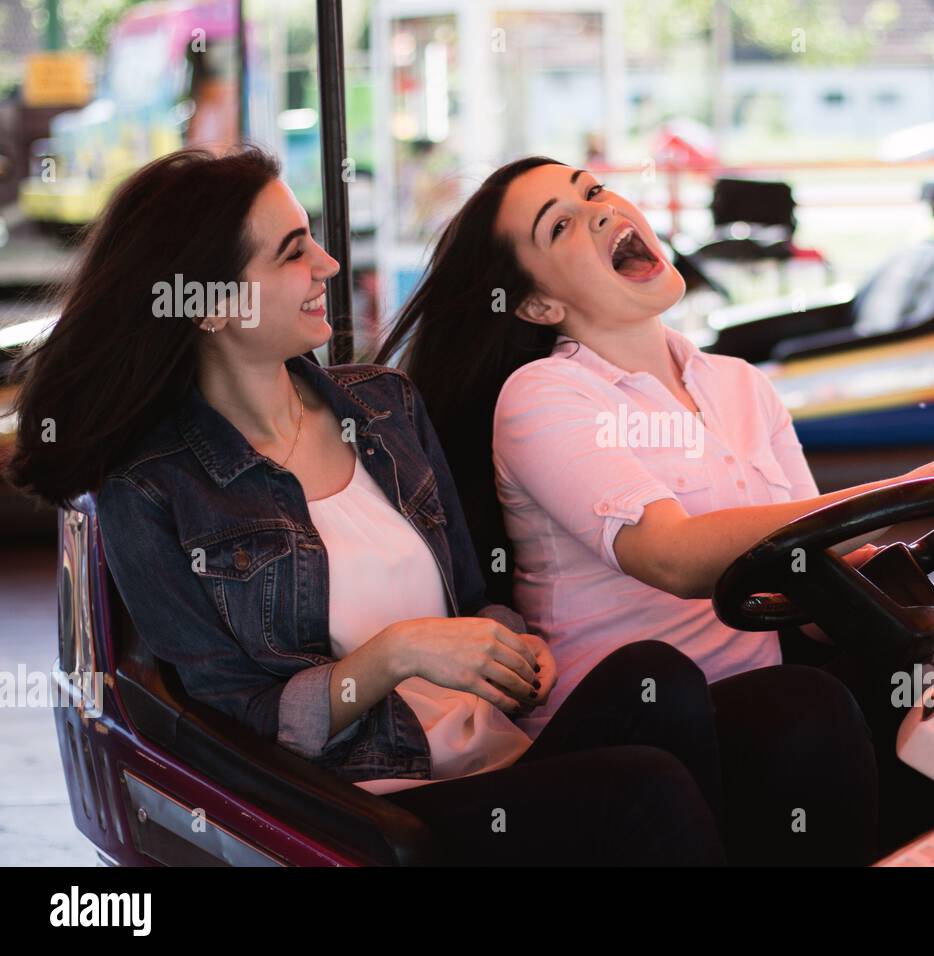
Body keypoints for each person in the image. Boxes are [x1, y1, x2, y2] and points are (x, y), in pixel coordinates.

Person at [9, 146, 876, 866]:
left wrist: (513, 638)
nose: (329, 266)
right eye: (291, 254)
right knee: (641, 792)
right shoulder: (153, 488)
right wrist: (396, 655)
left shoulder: (383, 407)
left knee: (739, 698)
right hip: (367, 807)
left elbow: (475, 594)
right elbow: (234, 721)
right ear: (209, 306)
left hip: (496, 749)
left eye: (313, 238)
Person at [378, 156, 934, 854]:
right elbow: (671, 554)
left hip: (763, 683)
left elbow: (816, 565)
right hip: (651, 721)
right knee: (803, 703)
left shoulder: (739, 384)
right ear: (538, 304)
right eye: (560, 224)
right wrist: (904, 488)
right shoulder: (545, 395)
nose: (599, 208)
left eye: (593, 189)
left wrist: (893, 606)